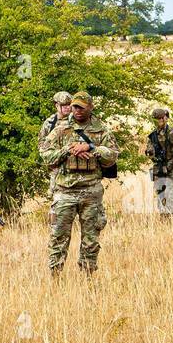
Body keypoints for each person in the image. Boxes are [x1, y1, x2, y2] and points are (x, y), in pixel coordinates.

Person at [40, 92, 117, 276]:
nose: (77, 110)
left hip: (91, 191)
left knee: (91, 239)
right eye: (74, 107)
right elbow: (46, 155)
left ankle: (87, 277)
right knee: (58, 237)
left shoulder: (100, 129)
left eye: (81, 107)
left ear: (90, 107)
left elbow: (112, 156)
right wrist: (68, 150)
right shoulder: (61, 128)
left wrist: (92, 148)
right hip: (65, 191)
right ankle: (55, 278)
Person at [145, 106, 173, 216]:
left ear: (165, 118)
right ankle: (165, 221)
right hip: (159, 167)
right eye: (156, 119)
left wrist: (169, 166)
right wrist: (150, 153)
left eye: (161, 118)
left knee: (171, 196)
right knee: (161, 196)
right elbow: (150, 150)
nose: (159, 121)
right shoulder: (153, 135)